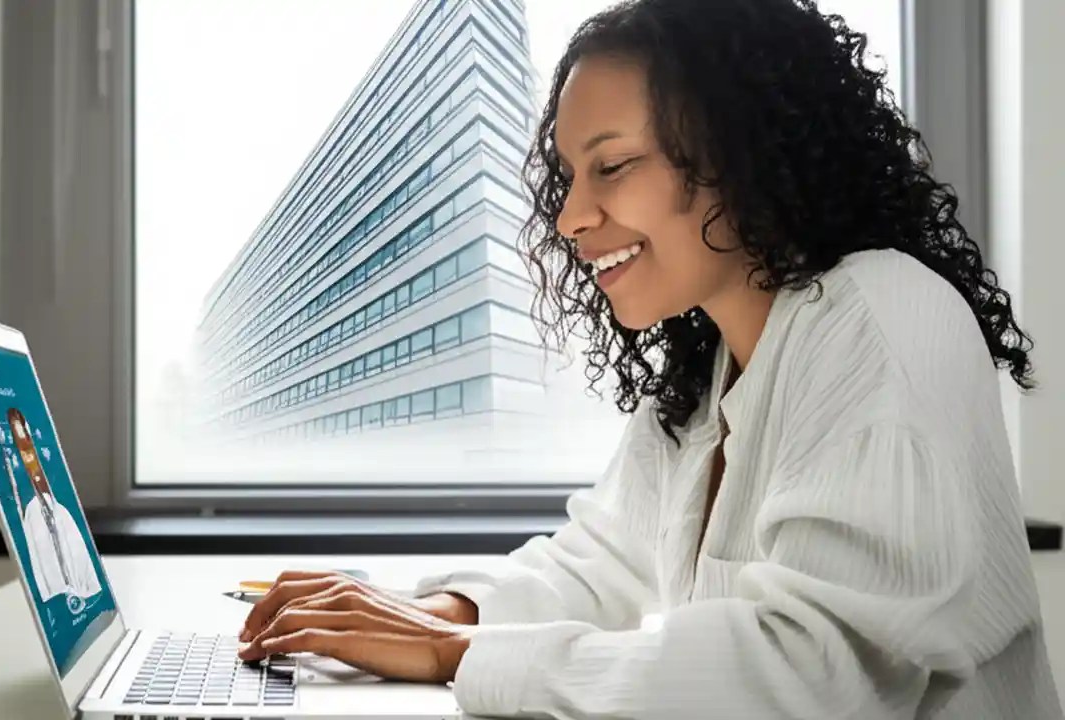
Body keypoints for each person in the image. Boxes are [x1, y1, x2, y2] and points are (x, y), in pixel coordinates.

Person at [236, 0, 1062, 716]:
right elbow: (608, 565)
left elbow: (815, 676)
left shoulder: (881, 314)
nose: (568, 217)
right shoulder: (708, 372)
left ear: (741, 153)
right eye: (567, 174)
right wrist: (435, 615)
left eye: (614, 165)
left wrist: (454, 656)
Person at [7, 408, 102, 605]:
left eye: (23, 431)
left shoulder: (60, 511)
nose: (22, 438)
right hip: (35, 508)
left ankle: (78, 588)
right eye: (17, 433)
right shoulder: (32, 511)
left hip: (49, 505)